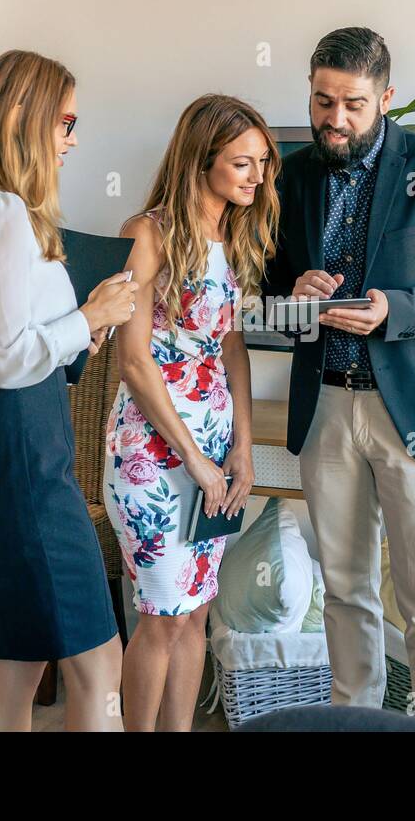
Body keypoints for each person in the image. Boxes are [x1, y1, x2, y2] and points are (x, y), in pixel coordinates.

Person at [262, 27, 415, 731]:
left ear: (387, 97)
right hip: (326, 408)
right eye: (322, 100)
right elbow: (267, 288)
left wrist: (395, 309)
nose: (335, 119)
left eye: (354, 105)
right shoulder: (292, 174)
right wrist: (296, 291)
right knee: (344, 592)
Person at [0, 49, 138, 731]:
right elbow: (9, 359)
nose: (72, 139)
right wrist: (92, 316)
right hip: (24, 455)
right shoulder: (6, 212)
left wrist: (85, 330)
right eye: (65, 121)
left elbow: (9, 349)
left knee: (17, 663)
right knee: (102, 662)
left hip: (0, 441)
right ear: (23, 115)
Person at [103, 94, 279, 731]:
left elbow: (231, 344)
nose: (257, 178)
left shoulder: (231, 235)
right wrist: (196, 459)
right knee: (162, 615)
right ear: (200, 160)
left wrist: (243, 447)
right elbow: (134, 362)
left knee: (197, 612)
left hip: (213, 452)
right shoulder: (145, 232)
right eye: (242, 163)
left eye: (263, 163)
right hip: (153, 457)